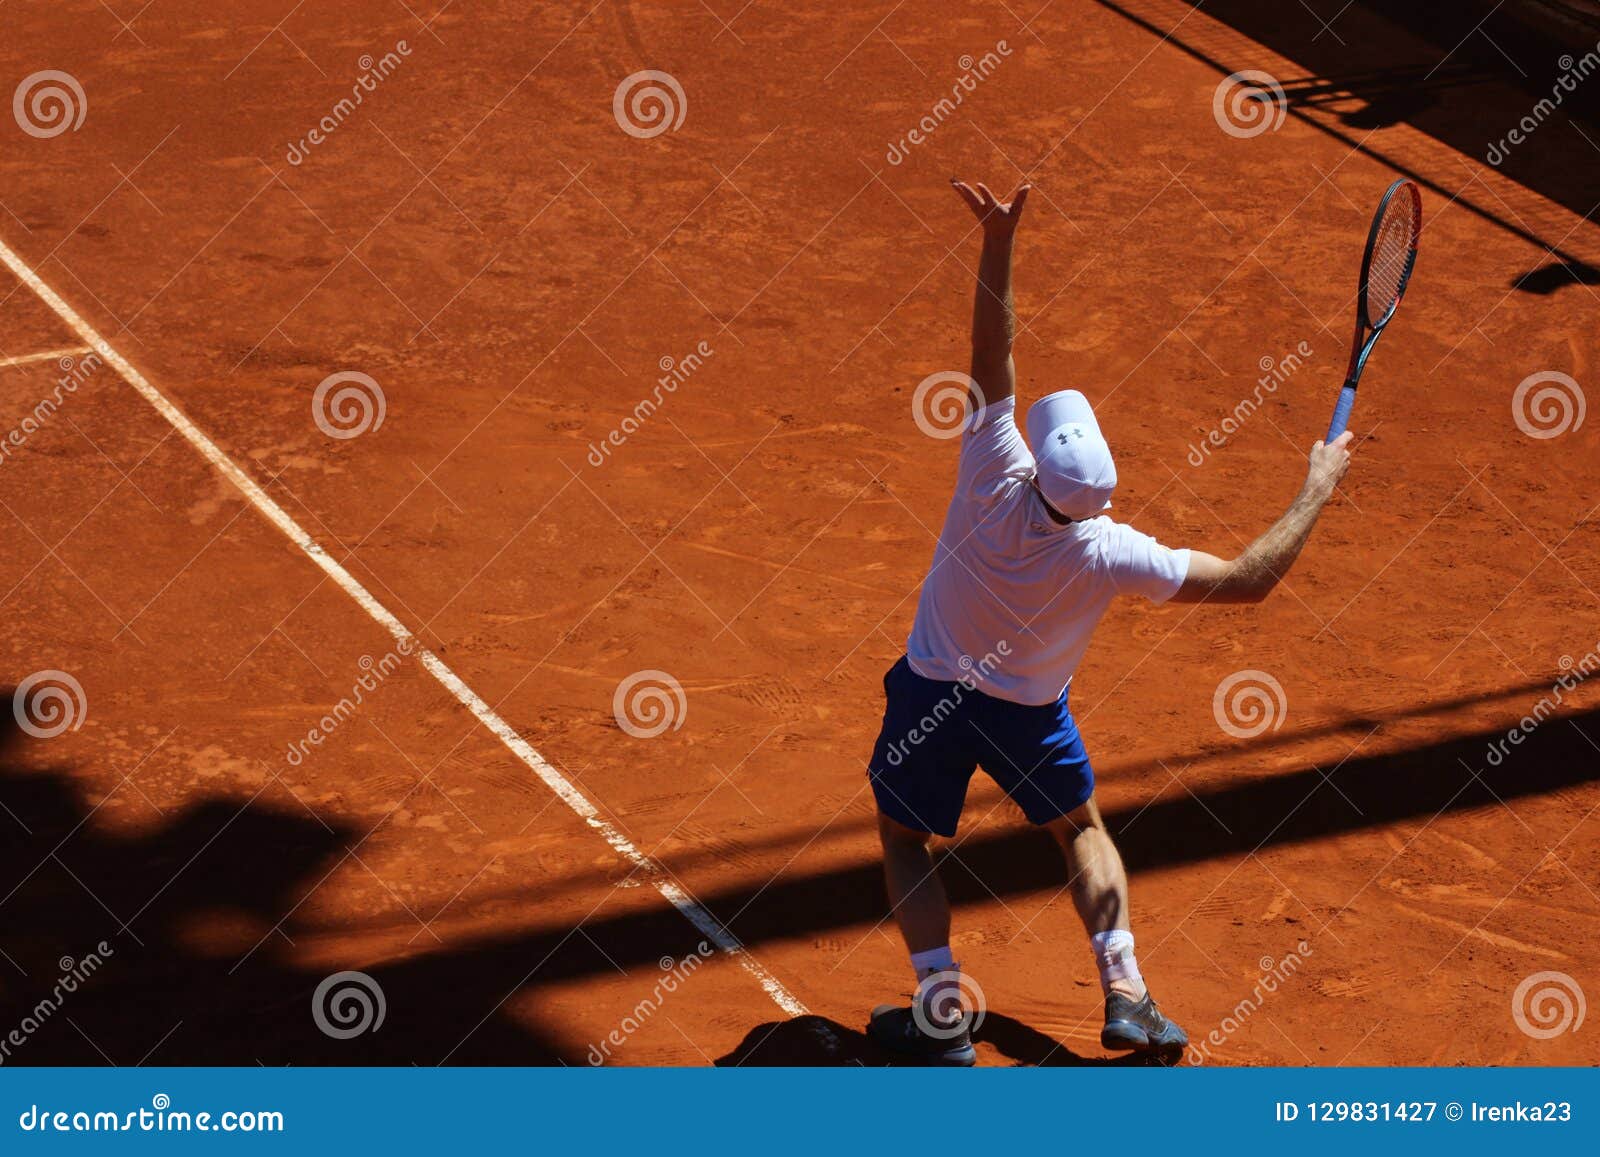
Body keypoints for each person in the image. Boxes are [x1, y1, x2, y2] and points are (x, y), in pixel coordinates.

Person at [866, 180, 1355, 1066]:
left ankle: (940, 1012)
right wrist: (1316, 489)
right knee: (1081, 830)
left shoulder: (991, 472)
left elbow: (991, 347)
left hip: (932, 692)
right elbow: (1248, 580)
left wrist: (999, 241)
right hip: (1028, 714)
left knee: (905, 837)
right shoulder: (1115, 551)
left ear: (1037, 467)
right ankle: (1126, 994)